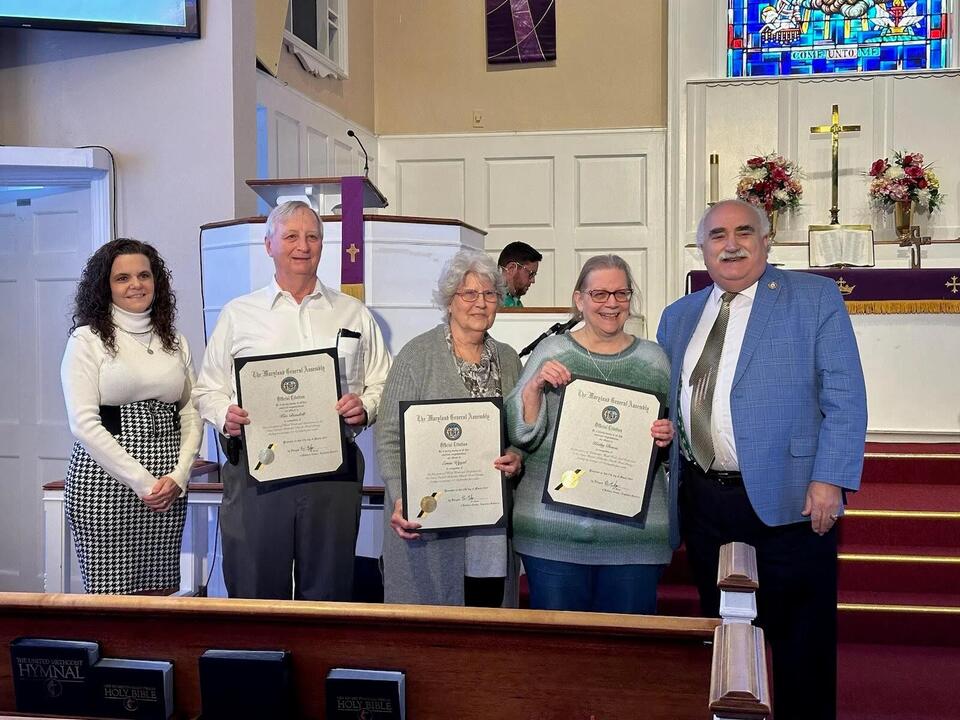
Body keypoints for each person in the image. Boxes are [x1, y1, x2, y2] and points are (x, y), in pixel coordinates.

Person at [656, 199, 867, 720]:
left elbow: (845, 395)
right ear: (701, 248)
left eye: (744, 231)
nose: (731, 244)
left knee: (802, 642)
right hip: (704, 502)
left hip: (791, 499)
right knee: (724, 635)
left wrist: (830, 478)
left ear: (766, 240)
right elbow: (663, 399)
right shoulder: (679, 316)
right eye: (718, 235)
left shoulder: (813, 298)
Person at [193, 200, 391, 601]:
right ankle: (258, 663)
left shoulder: (353, 314)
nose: (303, 246)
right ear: (269, 245)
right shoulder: (238, 314)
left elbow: (384, 383)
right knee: (255, 586)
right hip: (258, 471)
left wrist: (366, 407)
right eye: (291, 236)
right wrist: (223, 414)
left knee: (330, 588)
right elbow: (205, 390)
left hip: (331, 470)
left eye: (313, 236)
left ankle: (323, 663)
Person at [505, 254, 675, 614]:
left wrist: (668, 433)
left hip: (633, 538)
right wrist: (534, 387)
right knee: (562, 660)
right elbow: (521, 432)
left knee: (628, 659)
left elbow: (679, 437)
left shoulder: (655, 359)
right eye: (599, 294)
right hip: (554, 535)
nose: (611, 303)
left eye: (620, 293)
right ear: (579, 299)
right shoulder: (553, 351)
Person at [377, 249, 523, 607]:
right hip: (432, 526)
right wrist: (401, 496)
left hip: (489, 528)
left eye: (489, 294)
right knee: (433, 634)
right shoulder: (417, 355)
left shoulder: (508, 358)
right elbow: (390, 437)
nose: (480, 303)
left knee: (488, 628)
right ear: (449, 300)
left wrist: (516, 457)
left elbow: (521, 432)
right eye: (469, 294)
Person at [61, 238, 202, 595]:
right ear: (104, 286)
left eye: (143, 275)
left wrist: (179, 476)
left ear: (157, 281)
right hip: (107, 484)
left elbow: (191, 410)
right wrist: (143, 483)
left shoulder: (175, 340)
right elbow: (84, 424)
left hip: (167, 485)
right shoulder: (87, 340)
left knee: (159, 596)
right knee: (113, 602)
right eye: (122, 278)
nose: (135, 285)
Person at [497, 241, 542, 307]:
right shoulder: (493, 301)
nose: (533, 281)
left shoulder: (513, 300)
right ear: (511, 269)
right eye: (531, 274)